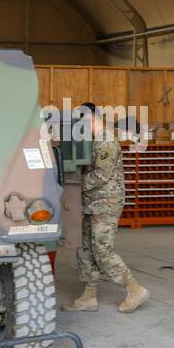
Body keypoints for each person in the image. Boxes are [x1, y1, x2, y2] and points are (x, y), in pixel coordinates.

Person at [62, 102, 149, 314]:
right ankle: (88, 296)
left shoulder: (107, 142)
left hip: (106, 204)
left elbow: (101, 176)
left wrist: (74, 185)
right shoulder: (94, 141)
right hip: (92, 203)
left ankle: (134, 289)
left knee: (102, 251)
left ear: (91, 119)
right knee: (85, 249)